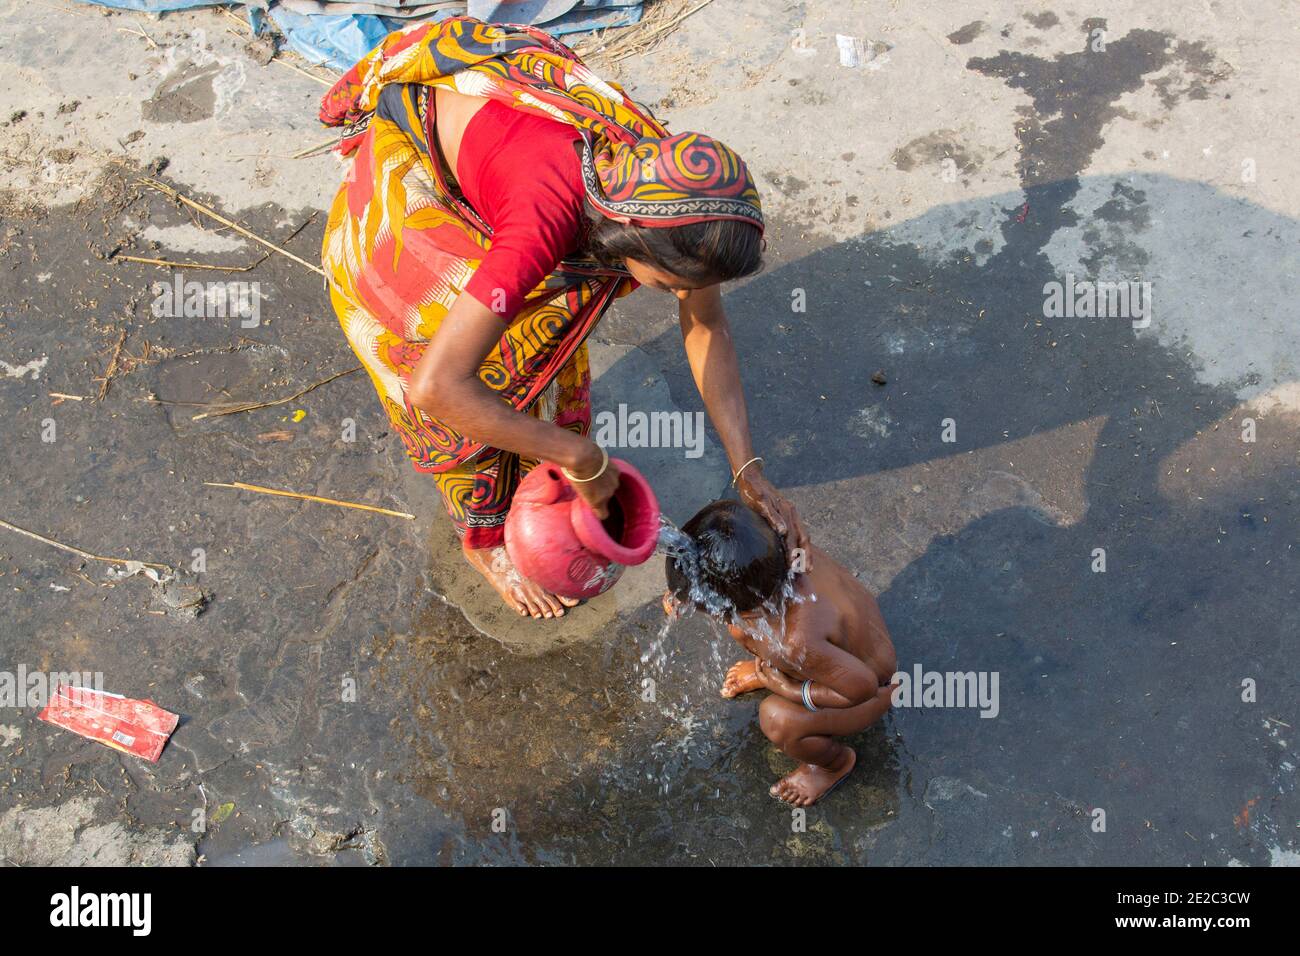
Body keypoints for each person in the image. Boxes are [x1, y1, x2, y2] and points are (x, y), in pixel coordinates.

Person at [320, 17, 808, 619]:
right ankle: (484, 537)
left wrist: (747, 468)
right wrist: (582, 459)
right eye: (671, 286)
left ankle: (540, 452)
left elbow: (706, 324)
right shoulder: (542, 221)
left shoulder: (664, 186)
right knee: (469, 373)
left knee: (547, 342)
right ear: (628, 243)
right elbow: (436, 387)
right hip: (424, 191)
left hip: (508, 158)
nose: (681, 297)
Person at [664, 501, 896, 806]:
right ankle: (770, 668)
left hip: (876, 689)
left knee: (778, 719)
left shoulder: (798, 641)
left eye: (704, 606)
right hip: (842, 645)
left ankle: (830, 765)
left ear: (751, 609)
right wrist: (685, 590)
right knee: (745, 630)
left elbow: (862, 688)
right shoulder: (785, 547)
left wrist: (788, 688)